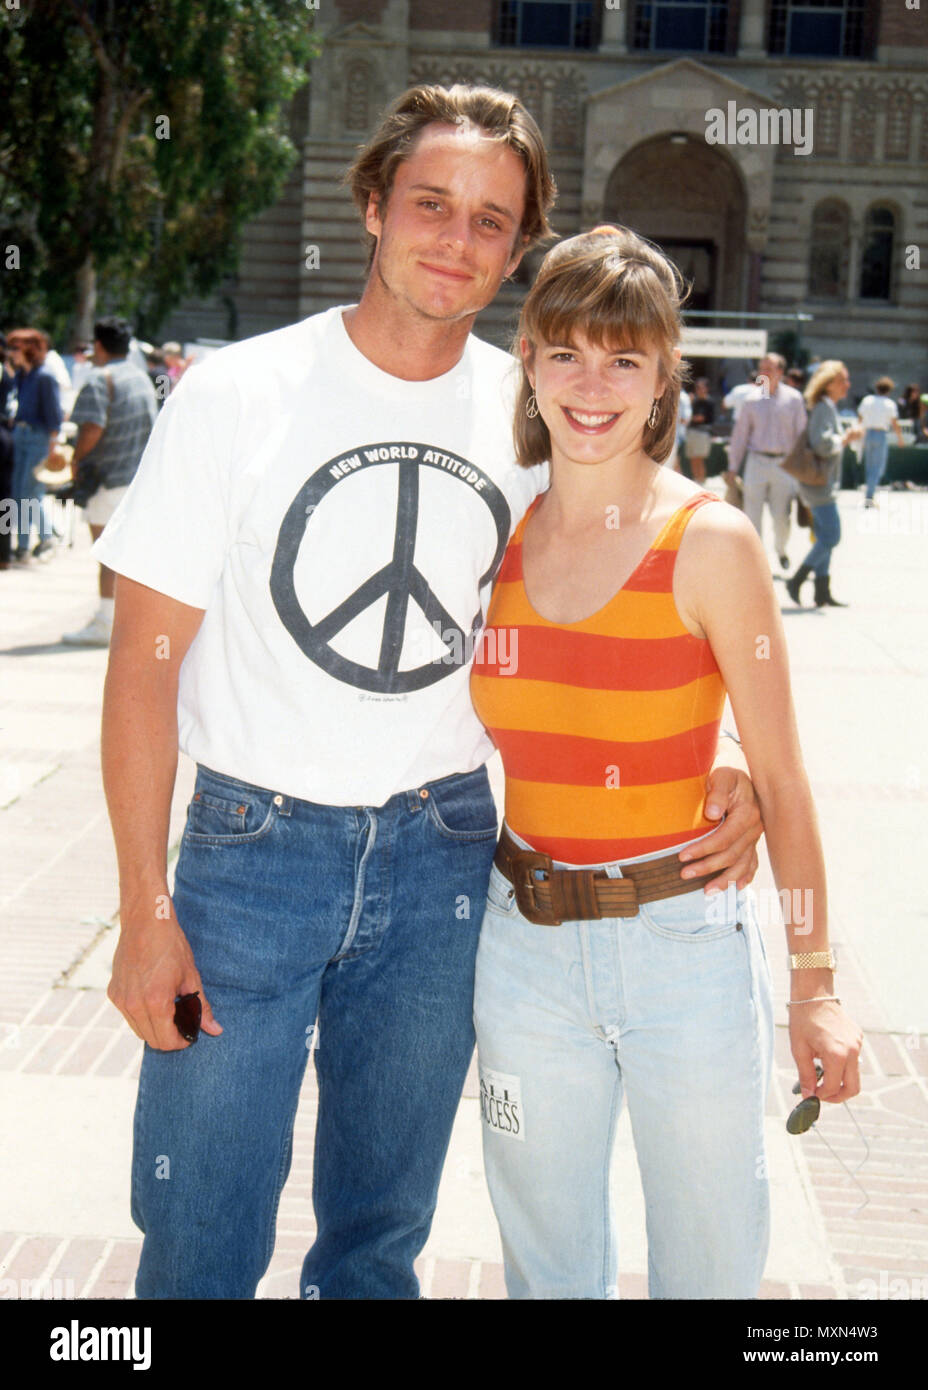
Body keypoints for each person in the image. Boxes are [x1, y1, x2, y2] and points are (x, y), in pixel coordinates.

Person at [94, 84, 763, 1301]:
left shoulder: (535, 417)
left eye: (493, 221)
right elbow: (140, 672)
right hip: (250, 854)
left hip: (445, 857)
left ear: (518, 249)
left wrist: (731, 774)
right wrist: (145, 906)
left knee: (379, 1235)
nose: (458, 240)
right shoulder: (237, 396)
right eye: (432, 204)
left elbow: (657, 591)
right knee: (199, 1222)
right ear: (371, 206)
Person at [470, 226, 862, 1299]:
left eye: (624, 359)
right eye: (566, 353)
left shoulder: (710, 539)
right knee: (544, 1267)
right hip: (520, 956)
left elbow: (781, 778)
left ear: (660, 382)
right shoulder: (492, 538)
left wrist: (814, 985)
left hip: (681, 947)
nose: (591, 385)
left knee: (708, 1266)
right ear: (529, 363)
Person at [62, 317, 158, 646]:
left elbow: (92, 427)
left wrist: (75, 461)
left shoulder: (99, 380)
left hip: (107, 477)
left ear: (98, 346)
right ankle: (125, 620)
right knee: (128, 555)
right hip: (137, 477)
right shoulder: (141, 378)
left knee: (107, 554)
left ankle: (106, 621)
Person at [786, 361, 862, 609]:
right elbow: (822, 444)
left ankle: (821, 591)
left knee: (822, 537)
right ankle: (797, 580)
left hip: (818, 483)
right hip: (819, 486)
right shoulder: (823, 408)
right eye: (843, 380)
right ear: (829, 384)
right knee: (831, 536)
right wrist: (845, 438)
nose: (847, 385)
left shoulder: (825, 407)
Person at [725, 352, 807, 571]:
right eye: (762, 368)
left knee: (781, 517)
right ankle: (757, 563)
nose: (764, 372)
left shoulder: (794, 399)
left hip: (783, 464)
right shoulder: (751, 400)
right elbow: (740, 436)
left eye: (769, 369)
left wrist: (803, 467)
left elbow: (801, 435)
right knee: (752, 515)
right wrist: (733, 466)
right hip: (756, 462)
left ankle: (781, 550)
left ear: (780, 372)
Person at [7, 327, 62, 562]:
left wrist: (53, 445)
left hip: (38, 438)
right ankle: (24, 544)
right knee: (18, 493)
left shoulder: (45, 377)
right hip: (20, 435)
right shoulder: (23, 375)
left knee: (29, 493)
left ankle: (46, 534)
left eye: (16, 348)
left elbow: (54, 416)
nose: (12, 352)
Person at [858, 377, 904, 507]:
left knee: (870, 466)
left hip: (867, 433)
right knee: (877, 468)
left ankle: (869, 493)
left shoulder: (867, 400)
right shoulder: (890, 404)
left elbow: (860, 417)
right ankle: (869, 496)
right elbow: (894, 423)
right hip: (880, 434)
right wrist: (900, 438)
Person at [684, 376, 714, 483]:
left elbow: (700, 418)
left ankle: (701, 483)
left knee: (699, 460)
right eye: (697, 387)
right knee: (692, 459)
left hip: (702, 433)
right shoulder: (694, 401)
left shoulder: (709, 402)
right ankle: (696, 482)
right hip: (691, 432)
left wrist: (687, 419)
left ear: (706, 388)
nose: (698, 390)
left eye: (701, 387)